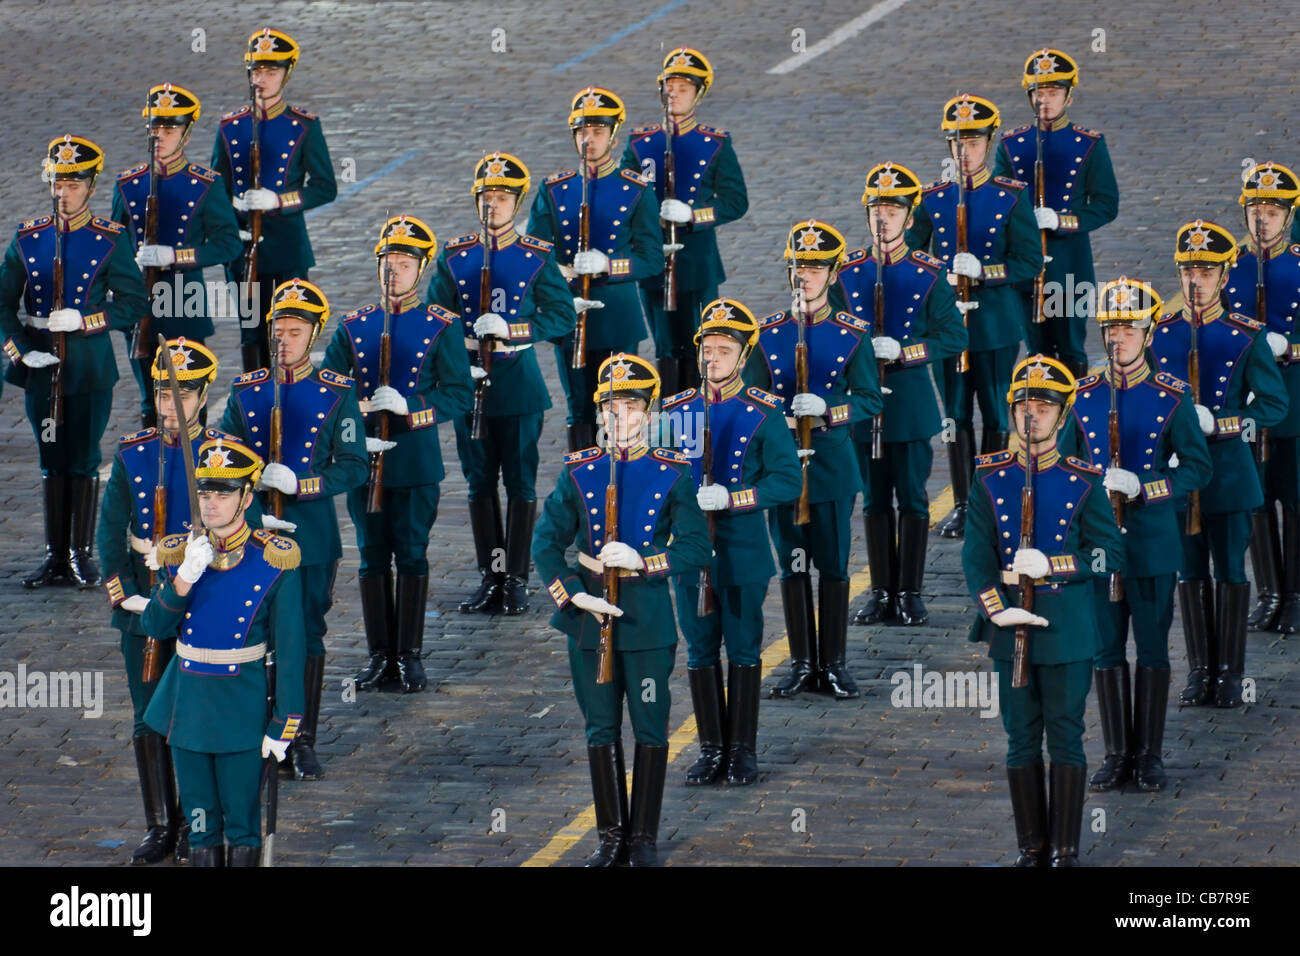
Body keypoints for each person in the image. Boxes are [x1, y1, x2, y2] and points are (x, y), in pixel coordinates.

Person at [532, 353, 709, 865]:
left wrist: (646, 559)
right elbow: (546, 543)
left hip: (646, 619)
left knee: (651, 728)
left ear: (649, 414)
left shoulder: (673, 473)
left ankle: (643, 840)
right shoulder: (579, 472)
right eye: (610, 407)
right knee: (600, 728)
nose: (618, 418)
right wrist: (572, 593)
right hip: (590, 619)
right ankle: (611, 839)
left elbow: (697, 547)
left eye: (630, 407)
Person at [963, 355, 1123, 866]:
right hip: (1011, 627)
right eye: (1023, 404)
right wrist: (995, 609)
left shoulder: (1082, 478)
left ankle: (1065, 850)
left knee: (1067, 736)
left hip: (1066, 630)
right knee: (1020, 740)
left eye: (1044, 405)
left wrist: (1054, 563)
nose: (1031, 414)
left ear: (1063, 412)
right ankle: (1031, 847)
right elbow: (976, 554)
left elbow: (1108, 553)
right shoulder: (989, 476)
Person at [1062, 279, 1211, 792]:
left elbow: (1198, 467)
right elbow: (1062, 466)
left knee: (1150, 650)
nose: (1118, 337)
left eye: (1129, 327)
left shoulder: (1171, 397)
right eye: (1111, 328)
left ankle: (1149, 754)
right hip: (1101, 548)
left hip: (1150, 543)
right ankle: (1115, 753)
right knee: (1105, 651)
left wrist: (1148, 486)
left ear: (1148, 332)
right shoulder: (1080, 397)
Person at [219, 279, 367, 774]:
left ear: (314, 335)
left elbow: (353, 465)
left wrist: (302, 484)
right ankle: (259, 731)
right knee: (254, 629)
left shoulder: (336, 392)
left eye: (296, 331)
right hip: (255, 530)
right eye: (278, 330)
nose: (285, 339)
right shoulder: (247, 391)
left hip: (311, 535)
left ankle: (300, 737)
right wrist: (256, 476)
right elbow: (221, 456)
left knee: (305, 633)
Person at [323, 215, 473, 691]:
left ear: (423, 269)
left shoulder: (440, 325)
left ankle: (408, 653)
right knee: (370, 558)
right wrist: (361, 412)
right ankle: (377, 654)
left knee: (411, 555)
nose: (395, 271)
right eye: (389, 261)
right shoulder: (354, 326)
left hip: (413, 461)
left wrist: (413, 409)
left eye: (405, 263)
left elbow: (458, 393)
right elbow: (329, 391)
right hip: (365, 460)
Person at [142, 436, 305, 866]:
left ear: (246, 497)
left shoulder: (273, 561)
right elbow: (154, 626)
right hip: (189, 704)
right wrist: (182, 581)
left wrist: (285, 722)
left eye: (223, 494)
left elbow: (291, 652)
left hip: (242, 707)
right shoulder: (182, 554)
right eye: (205, 493)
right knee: (199, 822)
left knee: (242, 824)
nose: (211, 504)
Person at [427, 152, 576, 616]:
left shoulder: (535, 256)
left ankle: (515, 578)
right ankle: (490, 575)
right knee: (478, 483)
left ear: (517, 202)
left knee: (519, 482)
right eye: (487, 196)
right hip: (471, 379)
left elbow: (561, 315)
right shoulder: (456, 256)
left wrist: (515, 329)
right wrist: (461, 349)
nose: (493, 205)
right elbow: (435, 316)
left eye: (503, 197)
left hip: (517, 383)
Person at [661, 299, 801, 785]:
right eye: (707, 349)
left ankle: (742, 750)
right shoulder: (676, 411)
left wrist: (735, 497)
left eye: (723, 350)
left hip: (742, 552)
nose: (712, 359)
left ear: (744, 358)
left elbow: (788, 481)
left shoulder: (762, 413)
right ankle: (710, 748)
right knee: (700, 651)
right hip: (690, 555)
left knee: (743, 649)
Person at [1149, 221, 1287, 708]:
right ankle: (1200, 670)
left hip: (1227, 472)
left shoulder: (1245, 336)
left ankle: (1230, 673)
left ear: (1225, 276)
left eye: (1206, 271)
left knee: (1229, 569)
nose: (1195, 280)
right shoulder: (1158, 335)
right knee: (1189, 573)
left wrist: (1224, 422)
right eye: (1188, 270)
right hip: (1179, 476)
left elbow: (1273, 405)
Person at [1, 134, 148, 590]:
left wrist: (86, 319)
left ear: (90, 186)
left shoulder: (110, 239)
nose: (63, 193)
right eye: (58, 183)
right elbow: (3, 305)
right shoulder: (29, 238)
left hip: (87, 367)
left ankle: (79, 554)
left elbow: (132, 302)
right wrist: (23, 350)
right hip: (43, 365)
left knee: (83, 457)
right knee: (51, 457)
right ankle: (53, 556)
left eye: (73, 184)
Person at [99, 338, 226, 865]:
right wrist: (123, 594)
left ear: (201, 397)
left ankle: (198, 822)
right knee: (147, 714)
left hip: (199, 606)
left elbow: (247, 529)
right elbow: (108, 532)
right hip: (145, 607)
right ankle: (160, 823)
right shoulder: (133, 453)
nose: (169, 406)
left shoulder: (222, 454)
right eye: (162, 395)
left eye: (182, 396)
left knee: (194, 717)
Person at [747, 220, 883, 699]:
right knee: (791, 562)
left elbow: (871, 398)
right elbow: (752, 400)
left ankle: (835, 663)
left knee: (833, 564)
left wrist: (830, 409)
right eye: (799, 267)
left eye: (816, 268)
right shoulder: (765, 334)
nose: (805, 276)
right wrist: (779, 417)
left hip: (831, 467)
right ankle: (803, 662)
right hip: (783, 469)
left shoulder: (851, 334)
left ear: (833, 273)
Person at [908, 96, 1042, 538]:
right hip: (949, 326)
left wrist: (986, 271)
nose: (964, 151)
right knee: (956, 415)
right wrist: (939, 279)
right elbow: (913, 258)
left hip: (995, 325)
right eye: (957, 143)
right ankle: (964, 502)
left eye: (974, 142)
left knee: (997, 415)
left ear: (989, 142)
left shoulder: (1010, 197)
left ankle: (990, 499)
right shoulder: (932, 198)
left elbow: (1030, 261)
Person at [839, 161, 965, 626]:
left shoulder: (929, 273)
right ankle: (879, 590)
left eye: (892, 211)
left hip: (909, 404)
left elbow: (955, 337)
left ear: (910, 219)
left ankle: (910, 591)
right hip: (863, 403)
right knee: (873, 502)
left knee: (912, 498)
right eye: (876, 210)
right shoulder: (846, 272)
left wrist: (908, 350)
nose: (883, 219)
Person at [528, 86, 663, 451]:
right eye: (582, 131)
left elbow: (651, 257)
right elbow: (534, 254)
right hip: (570, 310)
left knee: (622, 407)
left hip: (616, 316)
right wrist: (562, 273)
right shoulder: (554, 189)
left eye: (597, 131)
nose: (588, 139)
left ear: (613, 135)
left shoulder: (635, 189)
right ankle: (582, 481)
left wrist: (609, 264)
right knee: (579, 409)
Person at [112, 83, 241, 428]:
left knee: (185, 398)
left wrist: (175, 256)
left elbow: (229, 244)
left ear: (186, 134)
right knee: (149, 400)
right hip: (140, 303)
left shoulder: (205, 184)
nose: (160, 135)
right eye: (155, 127)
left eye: (169, 129)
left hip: (184, 301)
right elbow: (112, 241)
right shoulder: (129, 184)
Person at [623, 46, 749, 397]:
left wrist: (695, 214)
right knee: (666, 350)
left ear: (698, 94)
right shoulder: (640, 143)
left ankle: (701, 423)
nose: (674, 95)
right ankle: (670, 428)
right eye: (670, 88)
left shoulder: (714, 144)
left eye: (683, 89)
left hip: (697, 263)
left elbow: (736, 201)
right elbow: (622, 197)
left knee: (702, 347)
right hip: (654, 262)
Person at [213, 27, 336, 372]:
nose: (262, 79)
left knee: (290, 333)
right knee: (251, 335)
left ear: (286, 74)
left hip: (286, 251)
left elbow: (325, 187)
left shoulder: (304, 127)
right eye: (256, 71)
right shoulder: (230, 126)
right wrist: (231, 217)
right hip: (244, 251)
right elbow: (216, 188)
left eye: (271, 72)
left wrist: (279, 201)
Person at [993, 48, 1119, 380]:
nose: (1045, 101)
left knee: (1072, 351)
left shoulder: (1089, 143)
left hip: (1069, 269)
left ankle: (1073, 426)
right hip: (1024, 268)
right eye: (1038, 93)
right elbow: (997, 205)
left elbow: (1106, 204)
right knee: (1037, 354)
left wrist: (1062, 220)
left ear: (1069, 97)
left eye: (1053, 93)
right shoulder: (1011, 144)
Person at [1224, 162, 1300, 634]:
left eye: (1273, 211)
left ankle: (1295, 593)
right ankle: (1270, 590)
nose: (1263, 220)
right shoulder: (1230, 265)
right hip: (1247, 398)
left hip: (1294, 393)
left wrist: (1289, 347)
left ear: (1289, 216)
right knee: (1257, 495)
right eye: (1255, 210)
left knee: (1294, 497)